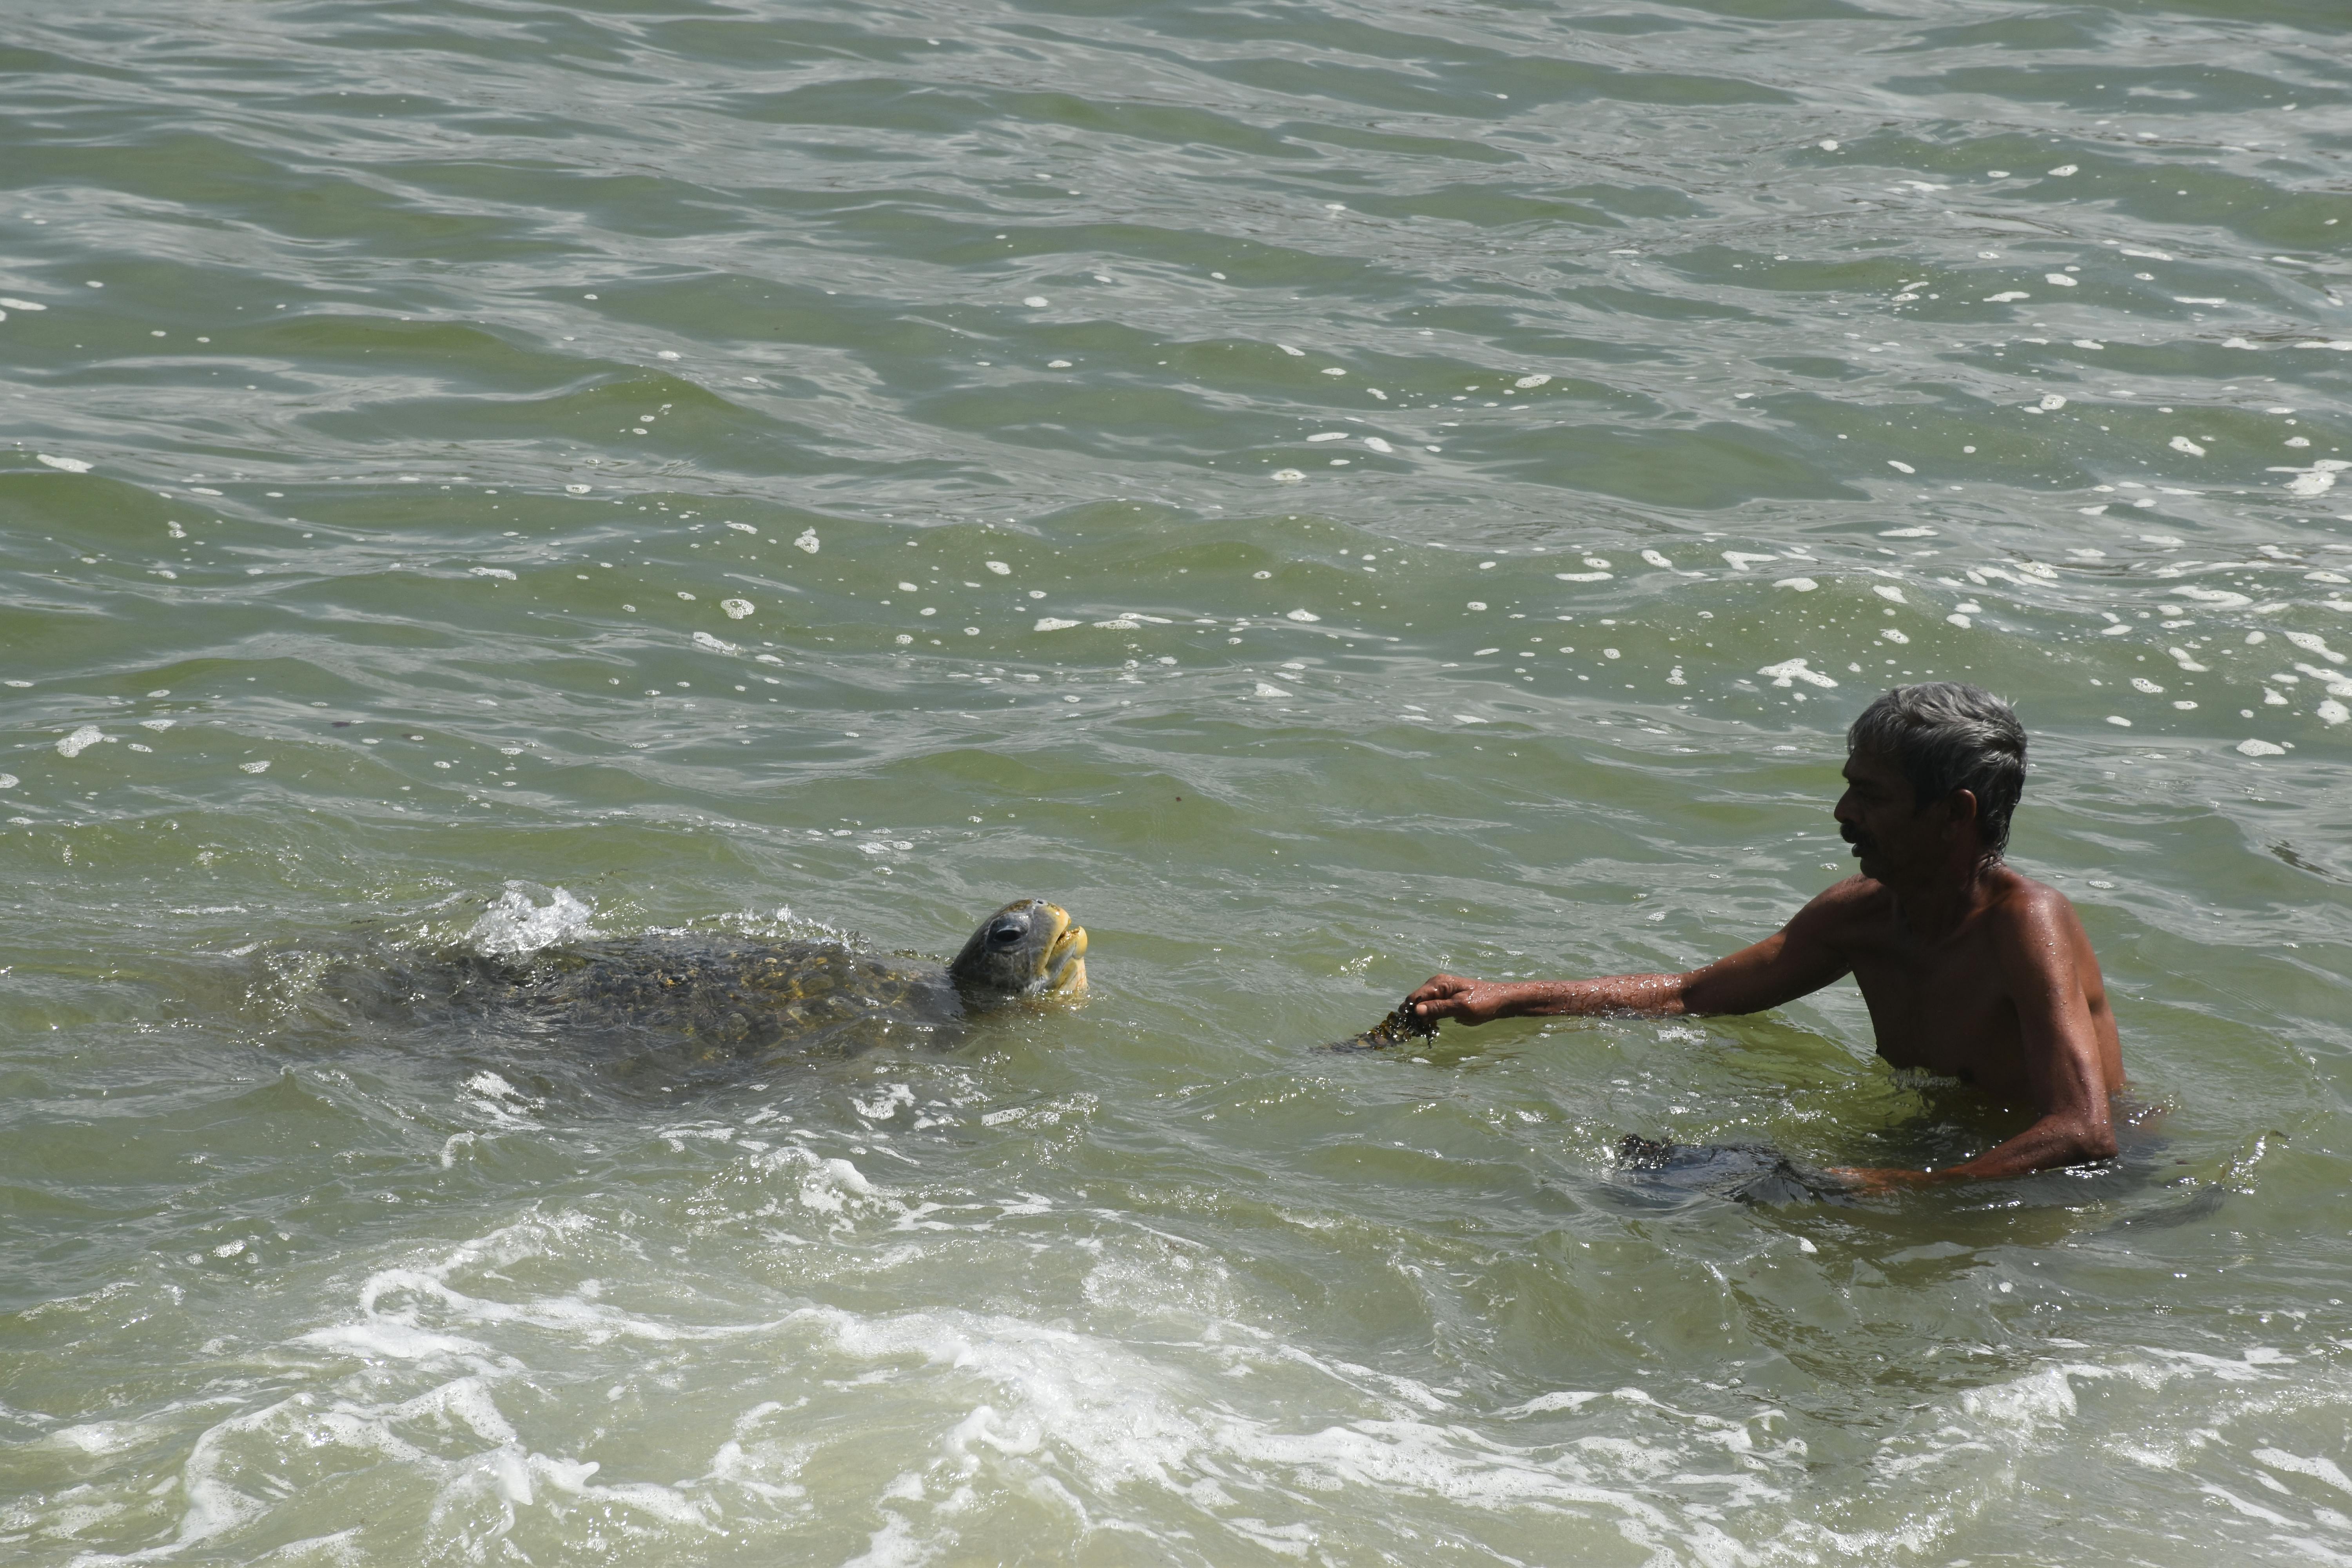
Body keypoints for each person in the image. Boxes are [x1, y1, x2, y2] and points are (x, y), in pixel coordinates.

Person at [1405, 682, 2125, 1190]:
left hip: (2073, 1185)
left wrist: (1899, 1184)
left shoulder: (2028, 923)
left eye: (1871, 796)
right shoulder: (1864, 913)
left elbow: (2083, 1134)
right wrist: (1506, 998)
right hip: (1943, 1156)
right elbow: (1693, 995)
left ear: (1955, 814)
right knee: (1654, 1176)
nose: (1842, 812)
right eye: (1849, 786)